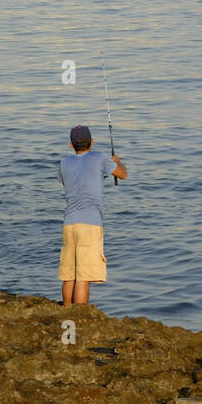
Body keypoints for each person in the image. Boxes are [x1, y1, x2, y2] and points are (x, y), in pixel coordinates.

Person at [58, 124, 127, 305]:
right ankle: (80, 317)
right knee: (84, 276)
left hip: (69, 223)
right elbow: (122, 174)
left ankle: (66, 313)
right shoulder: (100, 158)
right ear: (92, 142)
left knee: (69, 275)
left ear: (71, 145)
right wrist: (117, 161)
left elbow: (73, 181)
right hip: (90, 224)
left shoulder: (64, 163)